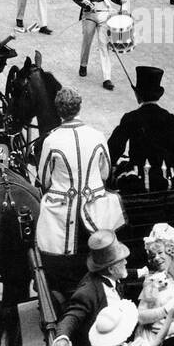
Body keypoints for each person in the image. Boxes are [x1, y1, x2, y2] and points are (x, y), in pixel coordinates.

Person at [36, 91, 113, 284]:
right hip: (94, 210)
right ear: (79, 107)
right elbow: (106, 173)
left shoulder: (51, 140)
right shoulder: (97, 135)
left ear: (59, 111)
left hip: (62, 212)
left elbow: (44, 179)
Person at [107, 66, 174, 193]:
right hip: (165, 182)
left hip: (137, 183)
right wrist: (163, 162)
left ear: (137, 94)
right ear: (158, 95)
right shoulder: (172, 120)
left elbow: (113, 150)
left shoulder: (131, 118)